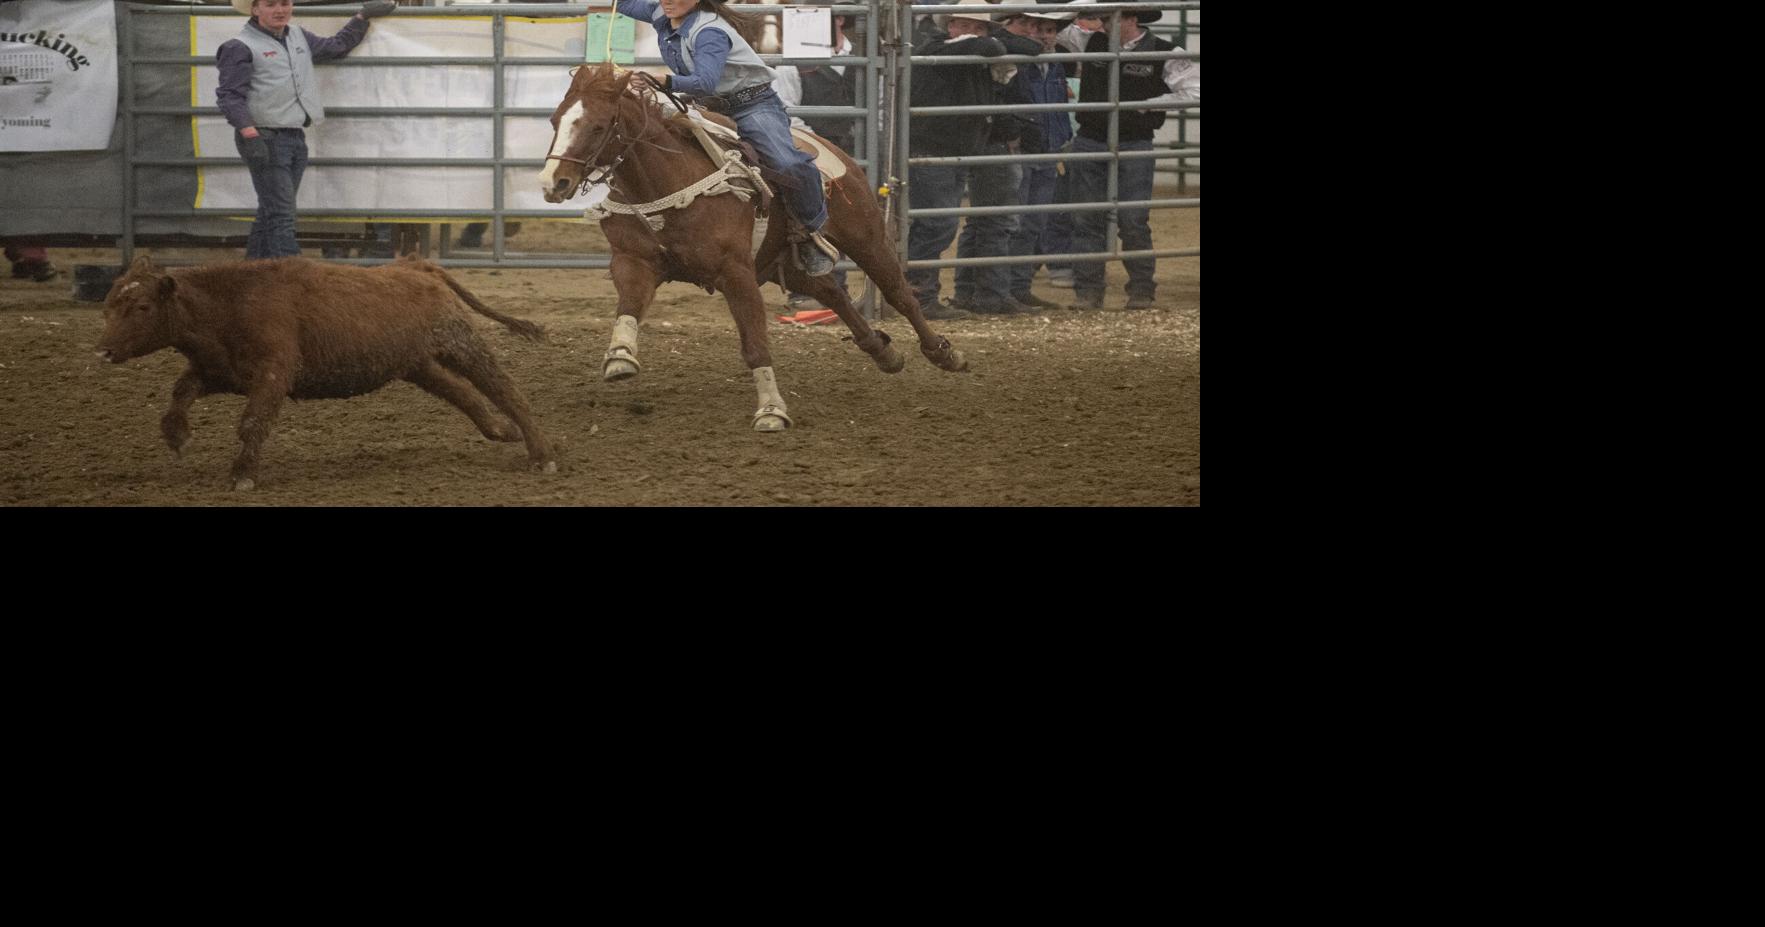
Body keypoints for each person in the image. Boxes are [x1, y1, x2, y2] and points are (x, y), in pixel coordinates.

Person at [605, 0, 836, 276]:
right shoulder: (662, 11)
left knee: (788, 163)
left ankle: (811, 230)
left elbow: (705, 81)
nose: (668, 0)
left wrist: (664, 81)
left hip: (752, 104)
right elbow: (625, 4)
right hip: (709, 104)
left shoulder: (709, 32)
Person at [216, 0, 398, 260]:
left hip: (290, 135)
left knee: (272, 212)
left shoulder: (297, 36)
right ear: (255, 10)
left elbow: (336, 47)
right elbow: (230, 96)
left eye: (285, 3)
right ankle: (295, 278)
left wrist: (362, 16)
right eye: (270, 4)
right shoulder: (239, 46)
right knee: (281, 215)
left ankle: (252, 274)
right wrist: (249, 133)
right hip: (263, 136)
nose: (280, 10)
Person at [905, 0, 1042, 319]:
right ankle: (917, 297)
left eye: (977, 26)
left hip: (953, 147)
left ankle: (920, 295)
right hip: (931, 148)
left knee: (940, 223)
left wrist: (985, 43)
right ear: (949, 25)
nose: (969, 32)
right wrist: (983, 42)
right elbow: (979, 49)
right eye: (963, 25)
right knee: (937, 223)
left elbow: (1025, 46)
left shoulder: (977, 53)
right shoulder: (933, 46)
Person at [1061, 2, 1198, 310]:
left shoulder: (1163, 52)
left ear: (1132, 18)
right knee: (1086, 218)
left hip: (1133, 141)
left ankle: (1140, 290)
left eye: (1111, 18)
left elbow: (1195, 90)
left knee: (1132, 219)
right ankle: (1090, 291)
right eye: (1103, 18)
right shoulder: (1090, 40)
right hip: (1093, 139)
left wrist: (1151, 103)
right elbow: (1061, 18)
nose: (1104, 24)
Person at [772, 9, 857, 308]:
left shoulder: (860, 58)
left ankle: (835, 289)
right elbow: (786, 113)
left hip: (852, 148)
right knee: (807, 216)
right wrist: (819, 146)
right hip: (810, 151)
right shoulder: (791, 64)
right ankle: (810, 290)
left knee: (849, 219)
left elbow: (879, 108)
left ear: (839, 20)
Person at [998, 4, 1073, 312]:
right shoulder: (1020, 62)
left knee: (1033, 221)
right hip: (1025, 147)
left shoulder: (1053, 64)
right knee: (1015, 221)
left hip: (1048, 146)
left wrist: (1063, 136)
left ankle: (1019, 286)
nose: (1043, 36)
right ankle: (1006, 289)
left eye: (1050, 30)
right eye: (1037, 29)